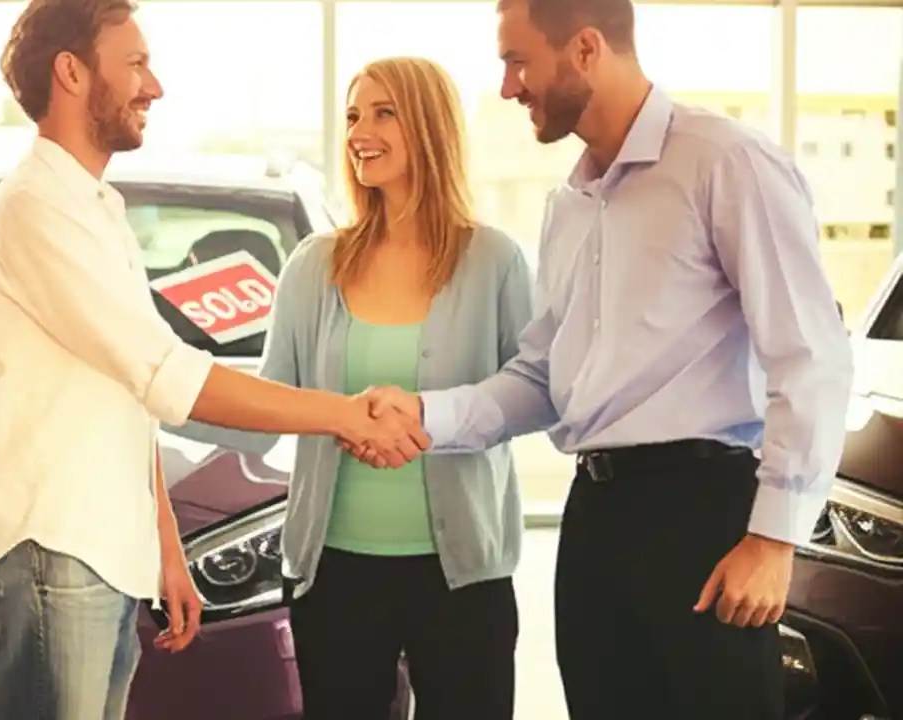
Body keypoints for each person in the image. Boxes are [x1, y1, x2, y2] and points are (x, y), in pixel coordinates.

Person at [358, 0, 855, 718]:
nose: (507, 87)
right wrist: (425, 415)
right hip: (595, 519)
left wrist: (774, 538)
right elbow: (540, 377)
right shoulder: (569, 203)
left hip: (702, 519)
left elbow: (810, 357)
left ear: (586, 49)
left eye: (517, 61)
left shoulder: (725, 163)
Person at [0, 2, 427, 719]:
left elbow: (129, 395)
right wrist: (344, 415)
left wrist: (164, 547)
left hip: (98, 557)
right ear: (71, 72)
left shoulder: (93, 207)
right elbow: (168, 377)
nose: (155, 86)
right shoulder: (35, 208)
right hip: (52, 554)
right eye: (136, 63)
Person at [165, 57, 533, 719]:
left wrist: (428, 419)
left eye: (383, 112)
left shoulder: (495, 262)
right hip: (334, 574)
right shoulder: (314, 266)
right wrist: (160, 393)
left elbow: (529, 396)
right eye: (354, 114)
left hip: (464, 580)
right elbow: (266, 409)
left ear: (429, 125)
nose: (360, 129)